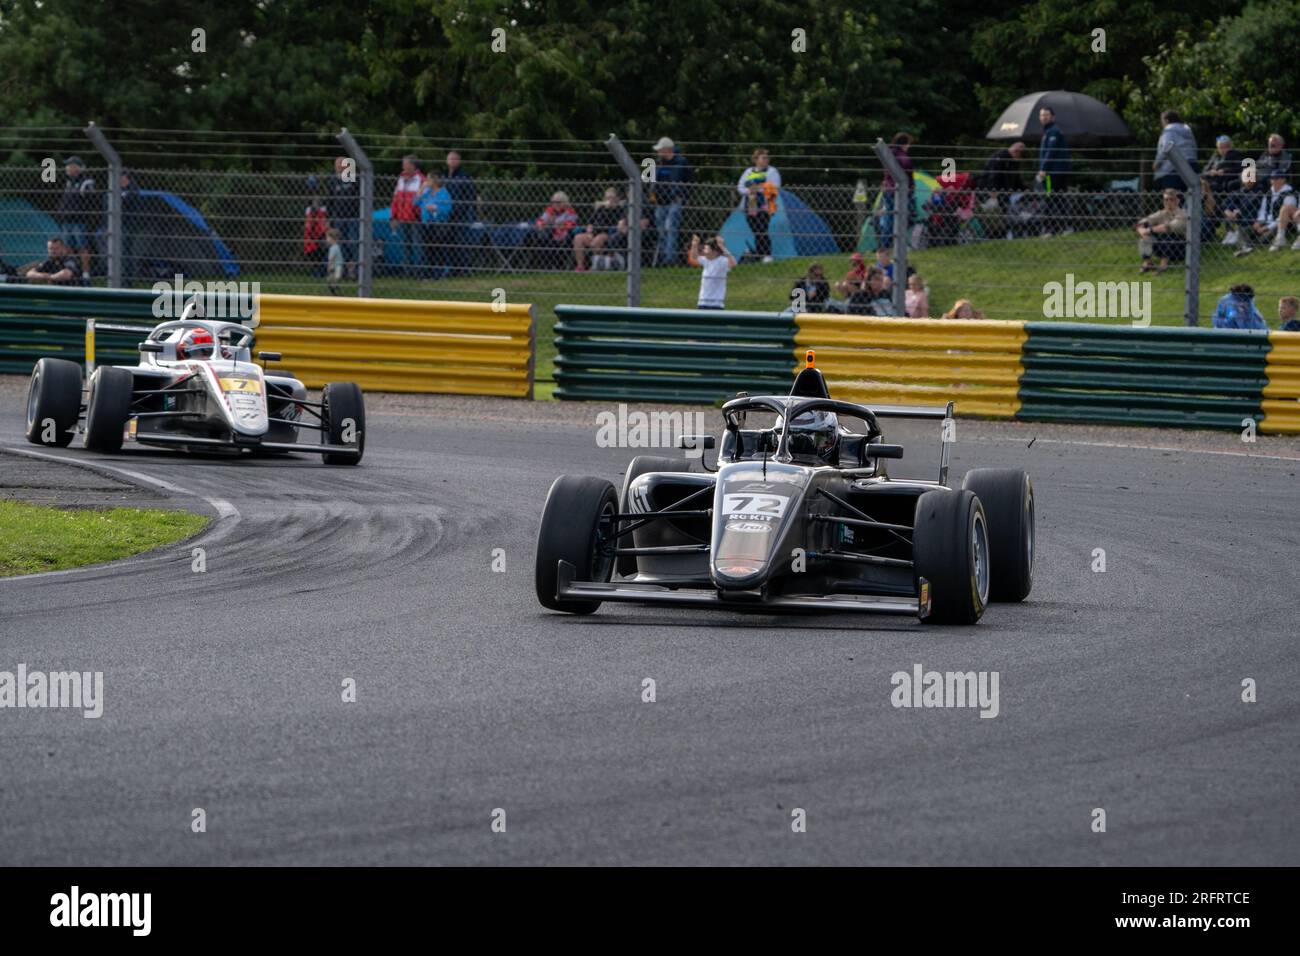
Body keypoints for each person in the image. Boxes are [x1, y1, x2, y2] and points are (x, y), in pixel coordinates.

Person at [650, 137, 693, 265]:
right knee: (661, 230)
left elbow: (690, 181)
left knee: (670, 227)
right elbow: (652, 182)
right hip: (660, 202)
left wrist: (684, 196)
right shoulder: (658, 163)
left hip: (675, 200)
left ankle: (670, 259)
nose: (658, 152)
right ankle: (662, 257)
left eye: (660, 150)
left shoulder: (681, 162)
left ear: (667, 150)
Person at [1234, 171, 1295, 257]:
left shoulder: (1289, 194)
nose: (1273, 181)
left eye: (1276, 178)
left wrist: (1267, 227)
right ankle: (1246, 247)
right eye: (1272, 179)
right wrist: (1258, 222)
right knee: (1243, 228)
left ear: (1283, 180)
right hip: (1266, 221)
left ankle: (1251, 246)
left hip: (1281, 224)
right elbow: (1263, 210)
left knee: (1267, 234)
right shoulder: (1269, 193)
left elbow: (1286, 216)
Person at [56, 156, 96, 282]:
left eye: (69, 165)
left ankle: (85, 273)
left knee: (82, 248)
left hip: (80, 221)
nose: (67, 168)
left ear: (76, 167)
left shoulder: (86, 182)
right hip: (67, 220)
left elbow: (92, 202)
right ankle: (73, 271)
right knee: (68, 248)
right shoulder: (69, 182)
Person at [737, 148, 781, 263]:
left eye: (767, 157)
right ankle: (759, 254)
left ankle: (767, 254)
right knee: (755, 228)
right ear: (756, 159)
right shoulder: (748, 171)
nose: (766, 160)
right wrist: (750, 191)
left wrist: (759, 189)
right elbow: (741, 187)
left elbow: (775, 187)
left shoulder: (772, 171)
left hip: (765, 203)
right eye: (763, 157)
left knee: (762, 227)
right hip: (751, 203)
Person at [1036, 107, 1072, 236]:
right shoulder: (1048, 131)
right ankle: (1063, 228)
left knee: (1050, 198)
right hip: (1055, 172)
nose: (1044, 117)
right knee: (1057, 198)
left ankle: (1050, 229)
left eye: (1046, 114)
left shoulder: (1053, 132)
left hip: (1052, 174)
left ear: (1053, 117)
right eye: (1041, 115)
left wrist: (1043, 169)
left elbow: (1050, 152)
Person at [875, 133, 914, 250]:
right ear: (904, 144)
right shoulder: (902, 156)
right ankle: (897, 244)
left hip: (888, 189)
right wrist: (911, 187)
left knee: (889, 218)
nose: (909, 147)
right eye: (908, 144)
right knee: (903, 217)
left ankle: (884, 246)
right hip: (900, 191)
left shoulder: (888, 153)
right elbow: (908, 170)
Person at [1203, 136, 1245, 243]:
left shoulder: (1235, 155)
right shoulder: (1215, 156)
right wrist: (1210, 172)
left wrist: (1225, 171)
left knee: (1215, 199)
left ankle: (1228, 230)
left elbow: (1240, 169)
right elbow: (1205, 170)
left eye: (1225, 147)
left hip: (1226, 184)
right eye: (1220, 147)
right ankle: (1208, 229)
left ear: (1230, 146)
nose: (1223, 149)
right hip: (1212, 184)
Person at [1135, 189, 1188, 273]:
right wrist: (1142, 230)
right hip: (1162, 247)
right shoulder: (1161, 213)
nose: (1168, 202)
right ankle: (1148, 263)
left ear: (1178, 201)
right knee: (1145, 238)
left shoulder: (1183, 214)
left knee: (1168, 235)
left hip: (1180, 248)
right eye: (1166, 199)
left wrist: (1149, 230)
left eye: (1171, 199)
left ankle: (1163, 265)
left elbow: (1168, 227)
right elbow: (1142, 222)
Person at [325, 156, 360, 280]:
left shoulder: (353, 179)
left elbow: (359, 198)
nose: (338, 167)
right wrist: (328, 219)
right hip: (338, 218)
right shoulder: (333, 180)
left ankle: (354, 270)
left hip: (353, 218)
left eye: (341, 164)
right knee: (341, 244)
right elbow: (329, 200)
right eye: (337, 165)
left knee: (353, 243)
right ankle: (342, 270)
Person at [573, 187, 623, 271]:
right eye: (607, 198)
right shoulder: (600, 208)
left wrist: (611, 208)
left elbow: (618, 225)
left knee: (596, 241)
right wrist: (589, 229)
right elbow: (590, 222)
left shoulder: (619, 210)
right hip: (594, 232)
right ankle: (580, 266)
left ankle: (596, 266)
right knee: (578, 238)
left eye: (612, 198)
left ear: (617, 199)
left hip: (607, 233)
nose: (609, 200)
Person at [524, 191, 579, 269]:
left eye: (558, 202)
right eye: (553, 202)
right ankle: (540, 263)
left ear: (564, 203)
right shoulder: (550, 210)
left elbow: (570, 225)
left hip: (563, 236)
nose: (555, 204)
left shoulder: (570, 211)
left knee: (544, 238)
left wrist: (554, 224)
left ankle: (550, 264)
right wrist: (543, 224)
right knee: (535, 235)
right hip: (549, 235)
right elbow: (540, 221)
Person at [444, 150, 477, 276]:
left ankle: (463, 269)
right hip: (447, 216)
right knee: (449, 242)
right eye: (450, 158)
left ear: (459, 161)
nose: (452, 161)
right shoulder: (445, 176)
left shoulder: (464, 176)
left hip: (461, 216)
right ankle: (453, 269)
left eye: (454, 158)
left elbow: (470, 197)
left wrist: (464, 211)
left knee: (461, 243)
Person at [390, 155, 424, 275]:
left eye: (405, 164)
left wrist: (418, 214)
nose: (403, 166)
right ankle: (407, 270)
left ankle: (419, 270)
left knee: (417, 245)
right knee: (405, 244)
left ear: (412, 166)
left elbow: (423, 200)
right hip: (402, 218)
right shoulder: (401, 178)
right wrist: (393, 216)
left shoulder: (421, 179)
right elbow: (395, 199)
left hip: (415, 218)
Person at [416, 172, 452, 278]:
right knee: (427, 250)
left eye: (428, 179)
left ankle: (439, 273)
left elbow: (448, 208)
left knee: (438, 250)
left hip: (438, 225)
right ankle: (428, 273)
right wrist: (421, 189)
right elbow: (415, 203)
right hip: (426, 224)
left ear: (435, 181)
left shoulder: (443, 193)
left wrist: (436, 208)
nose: (426, 181)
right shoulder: (426, 192)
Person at [1153, 110, 1198, 191]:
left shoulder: (1168, 130)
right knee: (1190, 195)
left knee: (1172, 196)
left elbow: (1166, 147)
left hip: (1173, 168)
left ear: (1166, 120)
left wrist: (1157, 163)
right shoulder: (1187, 130)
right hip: (1191, 165)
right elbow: (1194, 146)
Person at [687, 234, 736, 309]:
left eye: (706, 249)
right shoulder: (705, 260)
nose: (703, 250)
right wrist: (694, 244)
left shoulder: (722, 261)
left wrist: (722, 246)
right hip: (703, 302)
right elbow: (694, 257)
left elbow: (733, 263)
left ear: (714, 251)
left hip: (716, 304)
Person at [303, 195, 328, 276]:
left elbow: (323, 224)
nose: (316, 205)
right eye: (314, 202)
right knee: (313, 254)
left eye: (318, 203)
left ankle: (320, 272)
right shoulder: (309, 211)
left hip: (321, 235)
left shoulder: (322, 211)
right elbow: (308, 226)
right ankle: (316, 272)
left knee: (321, 253)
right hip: (311, 236)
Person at [324, 228, 344, 295]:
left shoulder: (333, 248)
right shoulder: (337, 247)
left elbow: (331, 259)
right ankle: (336, 293)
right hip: (338, 267)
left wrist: (329, 267)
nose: (326, 239)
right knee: (334, 281)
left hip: (334, 267)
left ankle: (334, 293)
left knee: (330, 281)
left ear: (332, 238)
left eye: (327, 237)